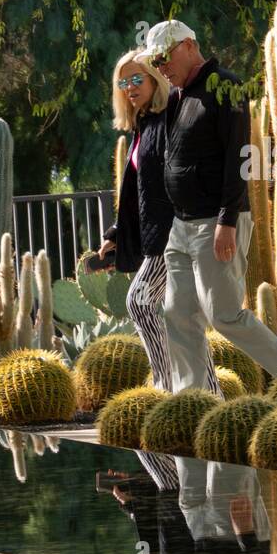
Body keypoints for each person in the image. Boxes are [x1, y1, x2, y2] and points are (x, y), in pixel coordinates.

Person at [146, 19, 277, 390]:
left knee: (224, 315)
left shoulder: (225, 86)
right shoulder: (179, 97)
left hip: (215, 222)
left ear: (189, 45)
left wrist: (227, 219)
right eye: (156, 62)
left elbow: (238, 157)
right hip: (180, 227)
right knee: (177, 313)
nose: (162, 67)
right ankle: (193, 398)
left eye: (165, 58)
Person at [99, 49, 176, 393]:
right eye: (123, 82)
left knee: (139, 302)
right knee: (181, 319)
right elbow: (135, 192)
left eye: (136, 79)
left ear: (154, 79)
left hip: (172, 235)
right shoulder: (143, 126)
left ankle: (165, 383)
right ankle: (206, 391)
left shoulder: (165, 119)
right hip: (153, 236)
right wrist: (116, 233)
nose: (129, 87)